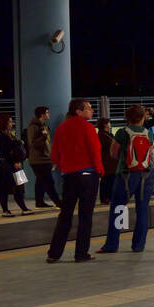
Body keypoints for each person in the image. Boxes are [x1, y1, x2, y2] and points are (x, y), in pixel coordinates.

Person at [46, 98, 104, 263]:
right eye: (89, 108)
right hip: (88, 176)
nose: (92, 111)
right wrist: (100, 170)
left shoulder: (61, 128)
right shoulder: (88, 127)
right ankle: (81, 253)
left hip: (69, 177)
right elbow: (95, 151)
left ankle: (54, 253)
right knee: (85, 216)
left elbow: (54, 155)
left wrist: (65, 167)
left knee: (65, 215)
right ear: (78, 111)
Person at [97, 104, 154, 254]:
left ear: (127, 117)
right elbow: (150, 152)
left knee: (119, 207)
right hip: (148, 173)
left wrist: (125, 159)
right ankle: (138, 245)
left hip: (126, 174)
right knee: (142, 208)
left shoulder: (122, 132)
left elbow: (113, 153)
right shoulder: (147, 132)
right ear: (143, 117)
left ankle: (113, 244)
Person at [0, 115, 31, 217]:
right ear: (4, 123)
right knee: (5, 188)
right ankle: (6, 210)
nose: (12, 124)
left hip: (14, 164)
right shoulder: (0, 136)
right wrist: (15, 161)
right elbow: (5, 152)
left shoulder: (10, 134)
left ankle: (24, 208)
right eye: (10, 122)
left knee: (19, 186)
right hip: (6, 165)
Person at [25, 106, 61, 209]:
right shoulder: (33, 127)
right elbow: (33, 144)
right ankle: (58, 202)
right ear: (42, 115)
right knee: (49, 181)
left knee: (40, 182)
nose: (49, 114)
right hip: (38, 160)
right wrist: (43, 136)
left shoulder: (43, 125)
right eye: (47, 112)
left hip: (44, 158)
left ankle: (39, 202)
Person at [97, 117, 117, 205]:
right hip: (107, 162)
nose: (110, 125)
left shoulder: (108, 134)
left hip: (110, 162)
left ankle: (108, 196)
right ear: (105, 124)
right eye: (109, 123)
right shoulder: (102, 135)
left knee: (110, 180)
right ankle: (105, 197)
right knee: (107, 180)